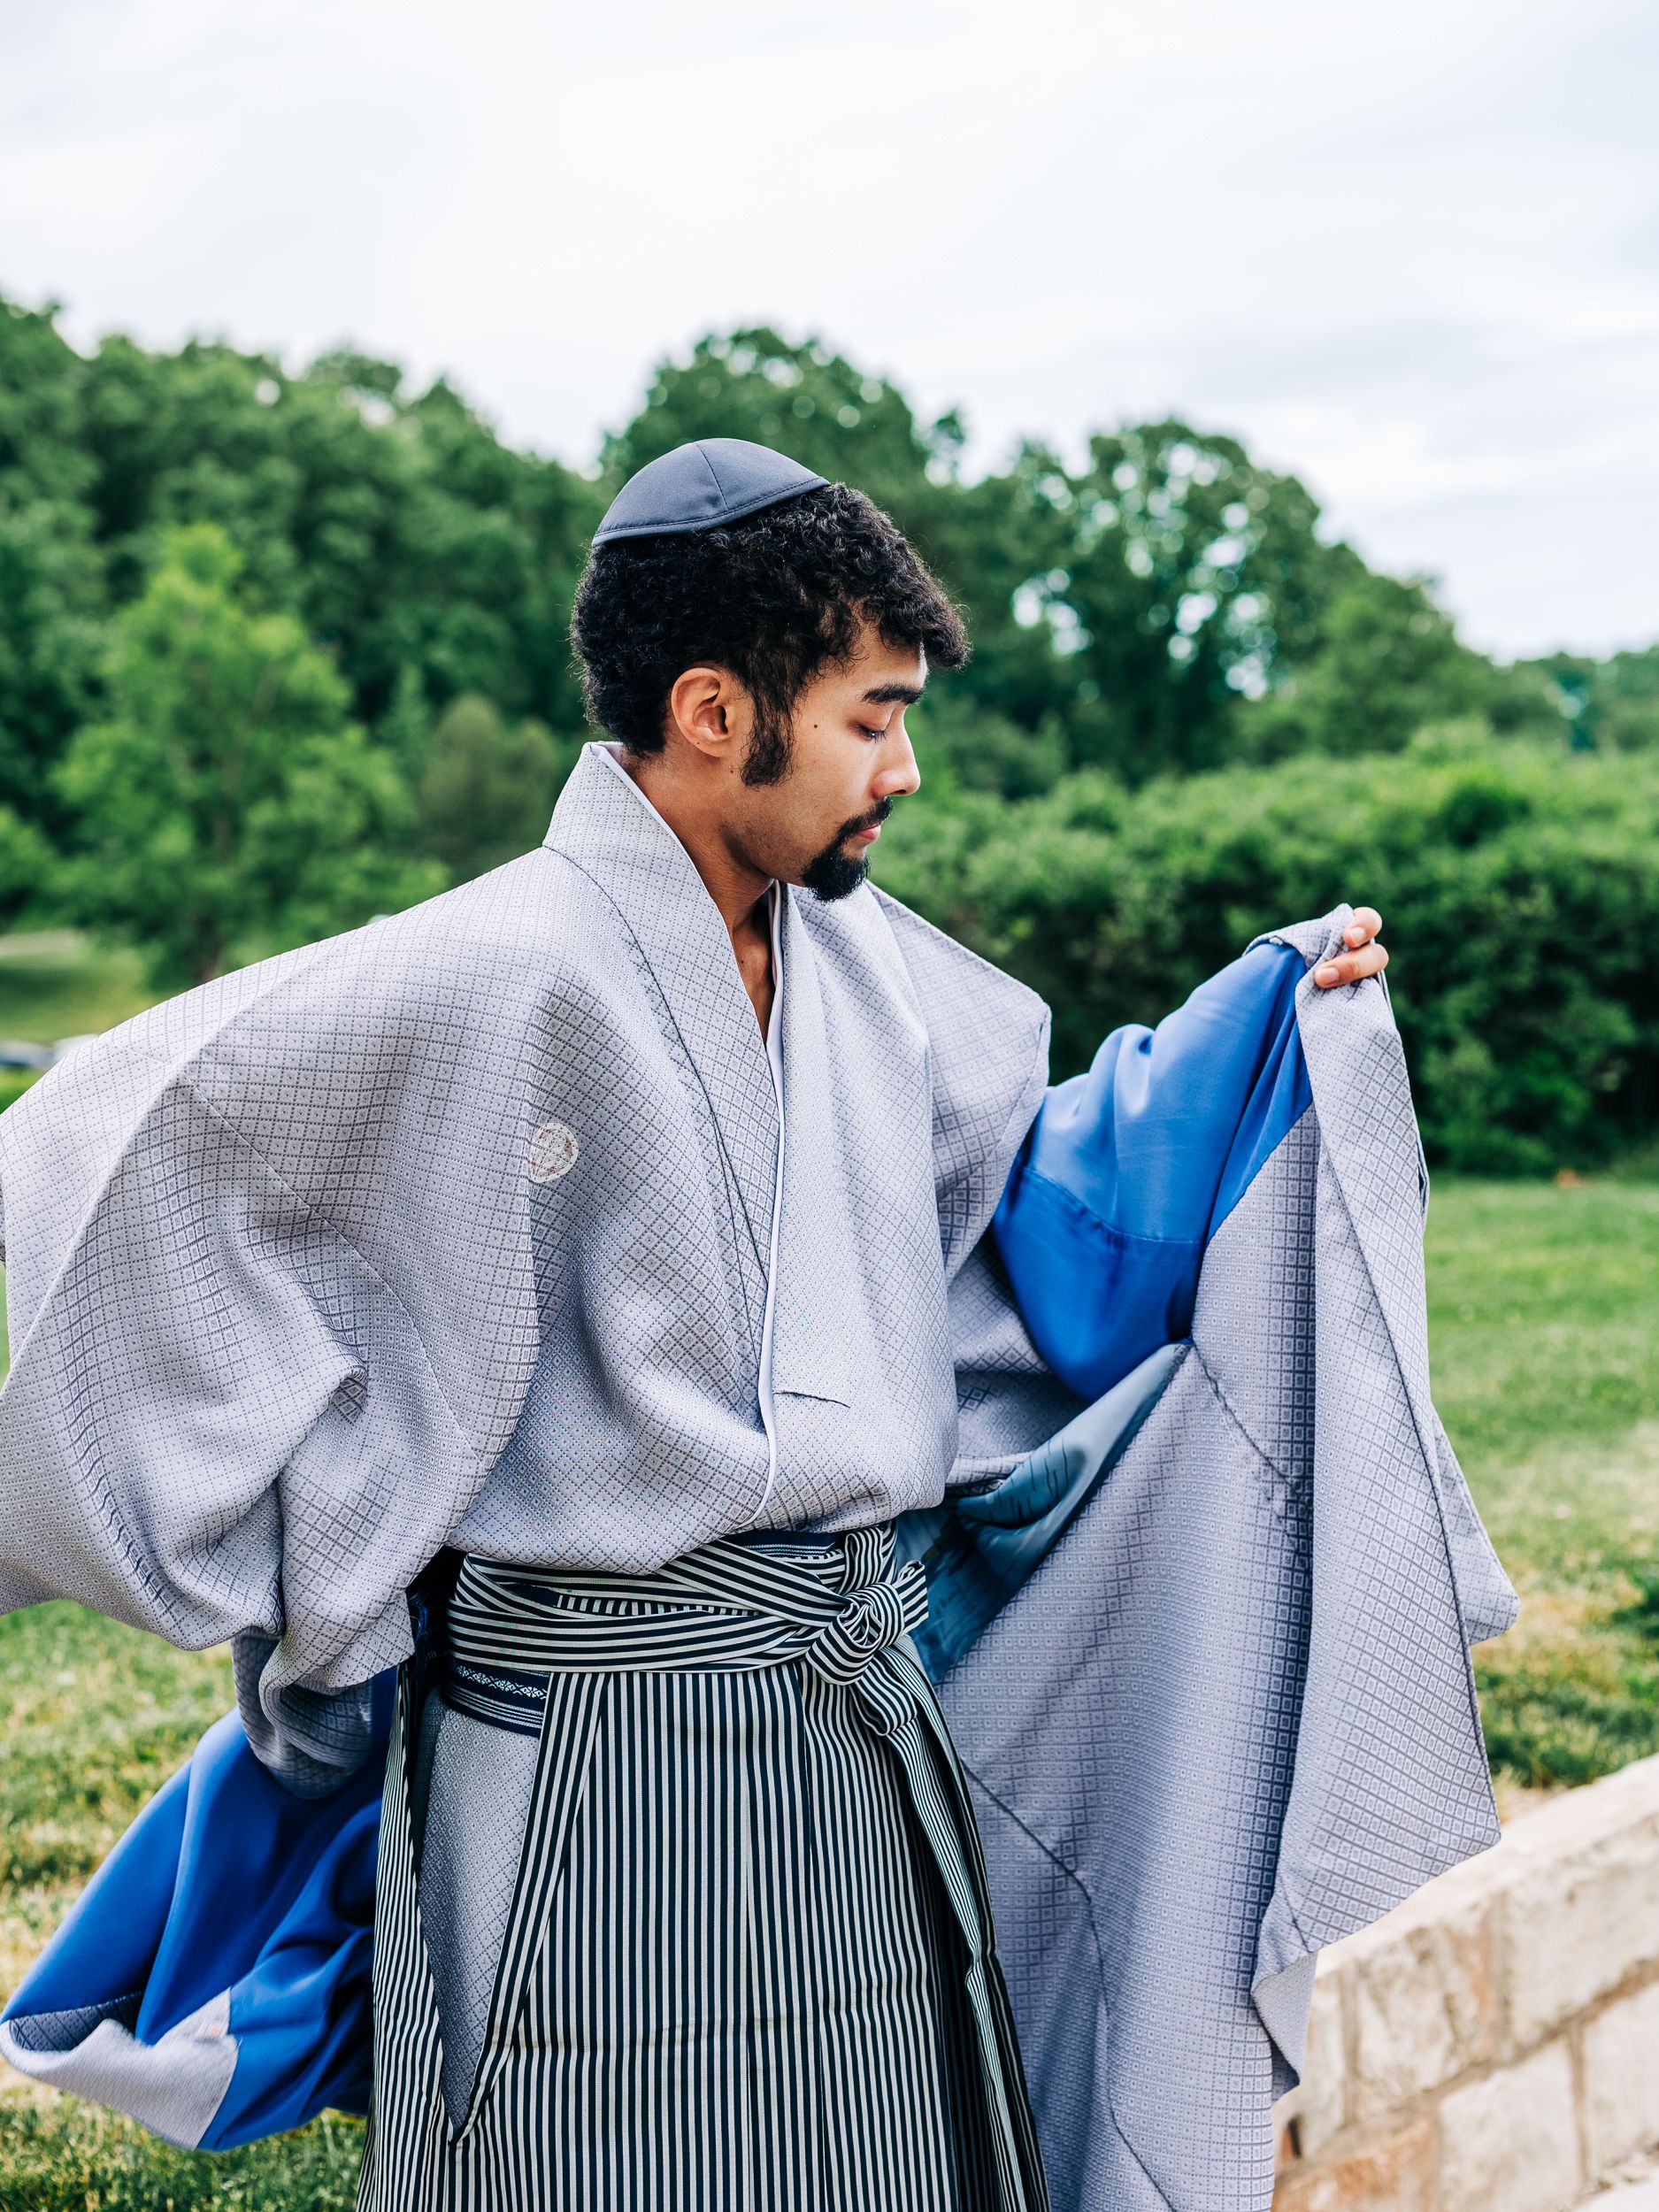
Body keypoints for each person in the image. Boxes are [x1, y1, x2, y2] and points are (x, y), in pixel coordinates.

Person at [0, 440, 1397, 2210]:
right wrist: (310, 1573)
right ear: (718, 709)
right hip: (583, 1752)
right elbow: (154, 1128)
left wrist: (1261, 1018)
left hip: (849, 1737)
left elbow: (1010, 1206)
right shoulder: (495, 970)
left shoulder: (866, 966)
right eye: (870, 718)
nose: (903, 765)